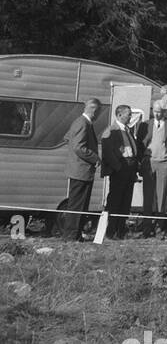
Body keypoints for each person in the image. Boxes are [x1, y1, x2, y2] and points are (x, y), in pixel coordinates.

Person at [137, 87, 167, 237]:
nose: (157, 114)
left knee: (162, 198)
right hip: (149, 163)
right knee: (148, 197)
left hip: (164, 163)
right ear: (152, 111)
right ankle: (147, 229)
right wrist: (142, 160)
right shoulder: (144, 125)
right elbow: (138, 144)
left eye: (160, 111)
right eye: (155, 111)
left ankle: (161, 228)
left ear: (164, 112)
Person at [59, 97, 101, 241]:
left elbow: (67, 138)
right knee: (77, 205)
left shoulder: (79, 122)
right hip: (80, 171)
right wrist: (95, 158)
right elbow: (79, 147)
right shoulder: (83, 123)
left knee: (80, 204)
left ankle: (75, 235)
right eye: (99, 110)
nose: (99, 114)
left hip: (80, 169)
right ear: (94, 109)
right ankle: (70, 236)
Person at [100, 104, 143, 238]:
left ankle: (120, 231)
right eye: (128, 114)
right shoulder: (111, 130)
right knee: (114, 201)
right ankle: (109, 231)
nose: (130, 116)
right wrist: (118, 167)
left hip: (130, 168)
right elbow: (107, 152)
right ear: (119, 115)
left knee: (126, 201)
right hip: (120, 169)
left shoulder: (127, 130)